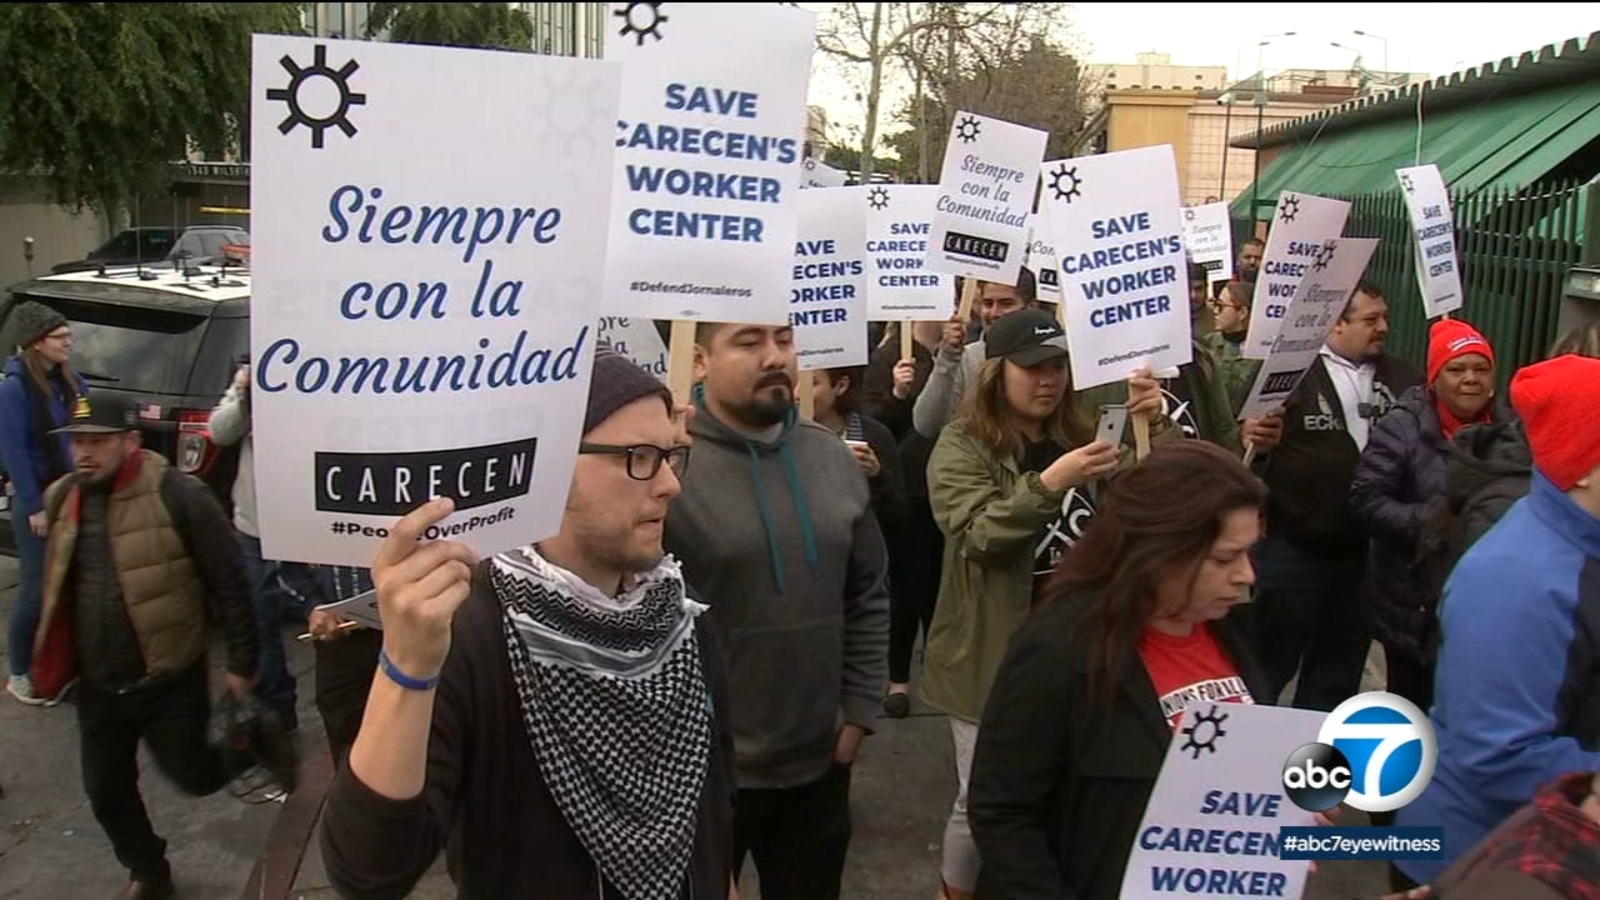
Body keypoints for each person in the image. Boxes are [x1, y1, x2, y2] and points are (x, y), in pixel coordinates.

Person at [321, 350, 737, 899]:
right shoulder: (472, 632)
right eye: (639, 456)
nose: (669, 485)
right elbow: (368, 870)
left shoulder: (680, 617)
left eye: (670, 456)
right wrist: (408, 667)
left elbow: (709, 809)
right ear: (549, 469)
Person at [921, 309, 1166, 900]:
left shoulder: (1086, 436)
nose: (1047, 380)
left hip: (1080, 646)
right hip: (990, 652)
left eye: (1057, 365)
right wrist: (1049, 484)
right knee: (981, 799)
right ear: (997, 374)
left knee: (1062, 787)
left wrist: (1153, 431)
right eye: (1032, 368)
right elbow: (978, 535)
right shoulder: (962, 444)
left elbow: (1159, 495)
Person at [966, 440, 1270, 899]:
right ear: (1159, 551)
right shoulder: (1060, 649)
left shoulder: (1227, 626)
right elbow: (1002, 812)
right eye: (1224, 559)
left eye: (1249, 553)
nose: (1246, 575)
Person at [28, 394, 292, 900]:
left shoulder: (179, 494)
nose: (84, 453)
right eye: (77, 442)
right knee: (105, 791)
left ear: (130, 441)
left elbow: (230, 582)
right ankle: (148, 870)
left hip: (168, 676)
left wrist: (242, 664)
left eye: (98, 442)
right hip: (99, 683)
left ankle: (255, 746)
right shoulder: (64, 497)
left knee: (194, 775)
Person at [664, 322, 889, 900]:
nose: (774, 357)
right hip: (700, 780)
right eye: (748, 341)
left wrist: (858, 710)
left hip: (818, 766)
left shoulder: (830, 458)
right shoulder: (667, 471)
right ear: (699, 360)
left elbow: (868, 591)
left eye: (785, 340)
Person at [1393, 354, 1600, 887]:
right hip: (1483, 864)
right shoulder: (1521, 579)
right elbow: (1499, 755)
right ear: (1585, 469)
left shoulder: (1576, 547)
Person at [1246, 280, 1423, 710]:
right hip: (1295, 550)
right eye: (1370, 319)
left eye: (1384, 317)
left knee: (1338, 674)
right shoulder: (1290, 375)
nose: (1382, 327)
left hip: (1367, 556)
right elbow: (1247, 450)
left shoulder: (1404, 377)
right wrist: (1254, 438)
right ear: (1335, 325)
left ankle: (1315, 764)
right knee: (1269, 666)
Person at [1351, 319, 1500, 713]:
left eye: (1480, 369)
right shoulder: (1401, 428)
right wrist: (1436, 523)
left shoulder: (1511, 432)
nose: (1470, 379)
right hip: (1413, 603)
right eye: (1456, 369)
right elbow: (1366, 501)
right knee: (1414, 713)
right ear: (1434, 379)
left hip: (1482, 603)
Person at [209, 359, 303, 730]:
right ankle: (278, 715)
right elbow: (219, 432)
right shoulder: (250, 375)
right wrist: (246, 398)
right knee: (261, 623)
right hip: (256, 526)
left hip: (310, 526)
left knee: (329, 622)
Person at [0, 300, 85, 705]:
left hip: (71, 491)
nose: (69, 342)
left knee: (72, 585)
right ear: (36, 343)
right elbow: (14, 452)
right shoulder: (14, 390)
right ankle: (18, 673)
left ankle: (61, 666)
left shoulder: (69, 382)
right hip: (38, 500)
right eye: (59, 337)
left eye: (68, 335)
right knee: (35, 590)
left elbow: (84, 425)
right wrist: (34, 505)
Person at [862, 320, 946, 717]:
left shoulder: (963, 353)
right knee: (906, 590)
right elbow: (869, 425)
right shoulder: (889, 355)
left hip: (950, 491)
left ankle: (939, 670)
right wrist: (897, 394)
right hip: (908, 492)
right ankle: (898, 679)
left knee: (943, 590)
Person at [913, 268, 1040, 439]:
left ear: (1030, 307)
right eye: (988, 304)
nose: (994, 313)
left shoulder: (1051, 359)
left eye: (1006, 304)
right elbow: (927, 425)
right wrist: (948, 358)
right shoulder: (965, 358)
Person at [1202, 280, 1262, 415]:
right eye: (1214, 304)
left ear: (1242, 312)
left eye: (1221, 306)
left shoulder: (1262, 350)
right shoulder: (1207, 345)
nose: (1215, 311)